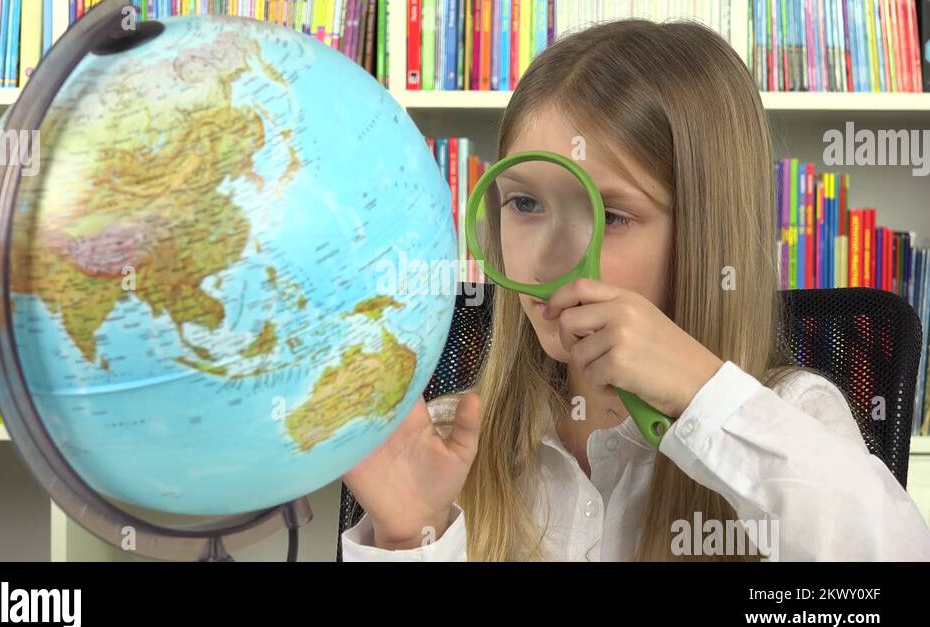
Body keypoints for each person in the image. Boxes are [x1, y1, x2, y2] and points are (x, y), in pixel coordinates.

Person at [340, 19, 930, 561]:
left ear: (705, 235)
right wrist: (410, 536)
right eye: (524, 204)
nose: (550, 260)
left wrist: (705, 398)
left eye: (611, 216)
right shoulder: (449, 442)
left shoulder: (788, 417)